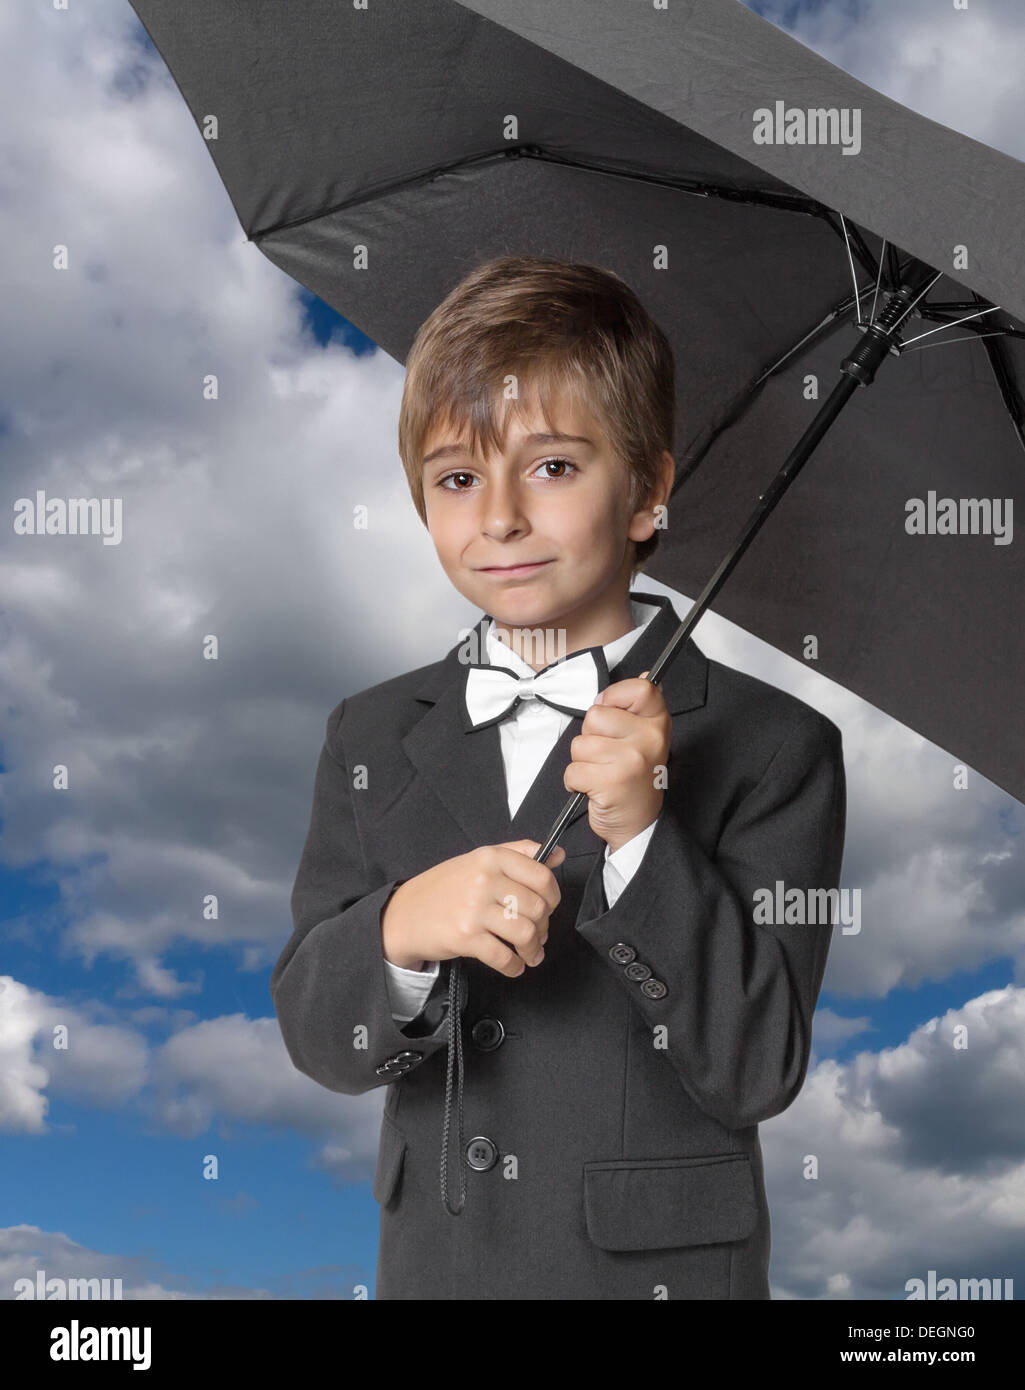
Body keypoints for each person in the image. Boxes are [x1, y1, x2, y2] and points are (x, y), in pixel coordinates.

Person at [270, 254, 846, 1300]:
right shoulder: (365, 732)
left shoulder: (774, 747)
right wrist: (399, 925)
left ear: (646, 492)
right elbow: (321, 1037)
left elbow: (755, 1064)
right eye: (455, 477)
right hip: (440, 1269)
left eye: (550, 468)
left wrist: (640, 842)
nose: (497, 517)